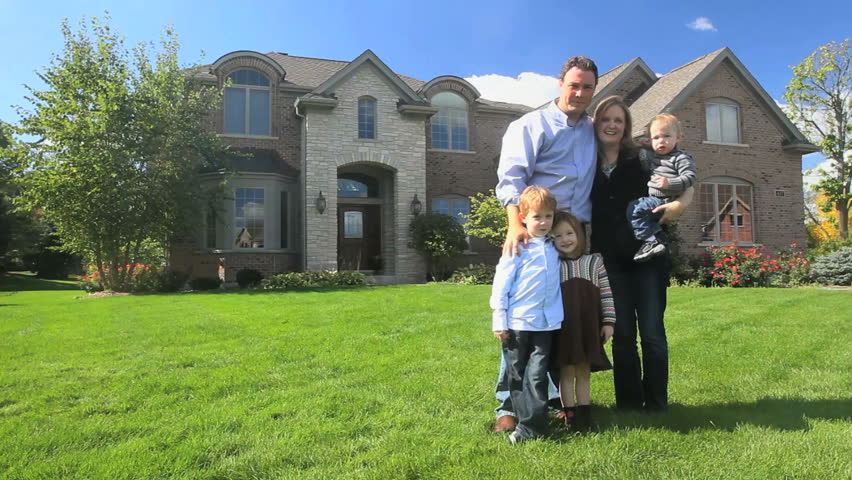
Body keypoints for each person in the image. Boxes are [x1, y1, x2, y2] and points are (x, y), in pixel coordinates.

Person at [492, 55, 599, 433]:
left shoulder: (592, 130)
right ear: (560, 83)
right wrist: (513, 227)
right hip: (535, 234)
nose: (580, 92)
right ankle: (507, 404)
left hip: (574, 240)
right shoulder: (531, 124)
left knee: (557, 320)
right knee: (523, 323)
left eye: (587, 87)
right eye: (574, 85)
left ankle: (555, 400)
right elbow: (511, 179)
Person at [590, 95, 693, 411]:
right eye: (606, 119)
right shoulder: (585, 162)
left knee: (651, 334)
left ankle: (658, 402)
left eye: (618, 120)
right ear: (596, 123)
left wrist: (678, 206)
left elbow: (686, 183)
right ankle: (630, 404)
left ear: (626, 126)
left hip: (648, 257)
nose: (612, 125)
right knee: (622, 336)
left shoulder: (644, 157)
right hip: (610, 261)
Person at [490, 186, 563, 445]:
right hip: (517, 324)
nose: (543, 222)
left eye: (548, 216)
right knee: (518, 375)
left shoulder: (556, 248)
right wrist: (499, 320)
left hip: (546, 325)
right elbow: (501, 285)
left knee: (538, 374)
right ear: (522, 217)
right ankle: (527, 424)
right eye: (536, 217)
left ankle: (532, 426)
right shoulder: (517, 247)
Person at [550, 211, 615, 432]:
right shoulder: (553, 265)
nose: (565, 239)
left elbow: (606, 294)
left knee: (584, 372)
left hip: (588, 326)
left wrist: (608, 322)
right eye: (558, 236)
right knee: (566, 372)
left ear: (579, 234)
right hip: (564, 328)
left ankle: (586, 417)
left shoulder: (594, 263)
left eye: (569, 233)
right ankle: (570, 415)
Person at [627, 114, 696, 262]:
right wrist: (643, 144)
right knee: (634, 208)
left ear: (678, 138)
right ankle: (659, 238)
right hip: (654, 198)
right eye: (656, 138)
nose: (661, 141)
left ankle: (652, 240)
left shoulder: (680, 158)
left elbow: (690, 178)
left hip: (666, 199)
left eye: (666, 136)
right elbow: (640, 152)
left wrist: (670, 183)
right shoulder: (656, 155)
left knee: (635, 210)